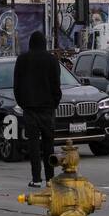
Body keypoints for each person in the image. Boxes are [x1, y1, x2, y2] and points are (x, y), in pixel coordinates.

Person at [13, 31, 62, 187]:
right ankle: (50, 178)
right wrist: (54, 103)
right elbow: (56, 85)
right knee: (49, 144)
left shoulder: (22, 60)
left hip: (30, 109)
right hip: (47, 109)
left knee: (33, 145)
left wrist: (23, 103)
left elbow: (17, 86)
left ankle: (36, 178)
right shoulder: (52, 60)